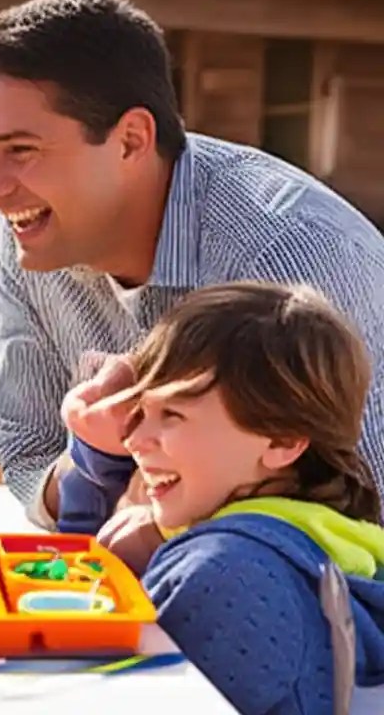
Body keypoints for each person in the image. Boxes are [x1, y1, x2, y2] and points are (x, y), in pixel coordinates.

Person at [0, 0, 384, 537]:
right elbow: (28, 452)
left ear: (132, 139)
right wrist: (95, 463)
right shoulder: (31, 227)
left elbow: (361, 505)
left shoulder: (291, 255)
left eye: (21, 149)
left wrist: (159, 530)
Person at [56, 281, 384, 714]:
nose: (134, 438)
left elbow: (79, 696)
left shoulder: (221, 573)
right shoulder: (330, 548)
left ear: (283, 440)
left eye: (172, 414)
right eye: (140, 413)